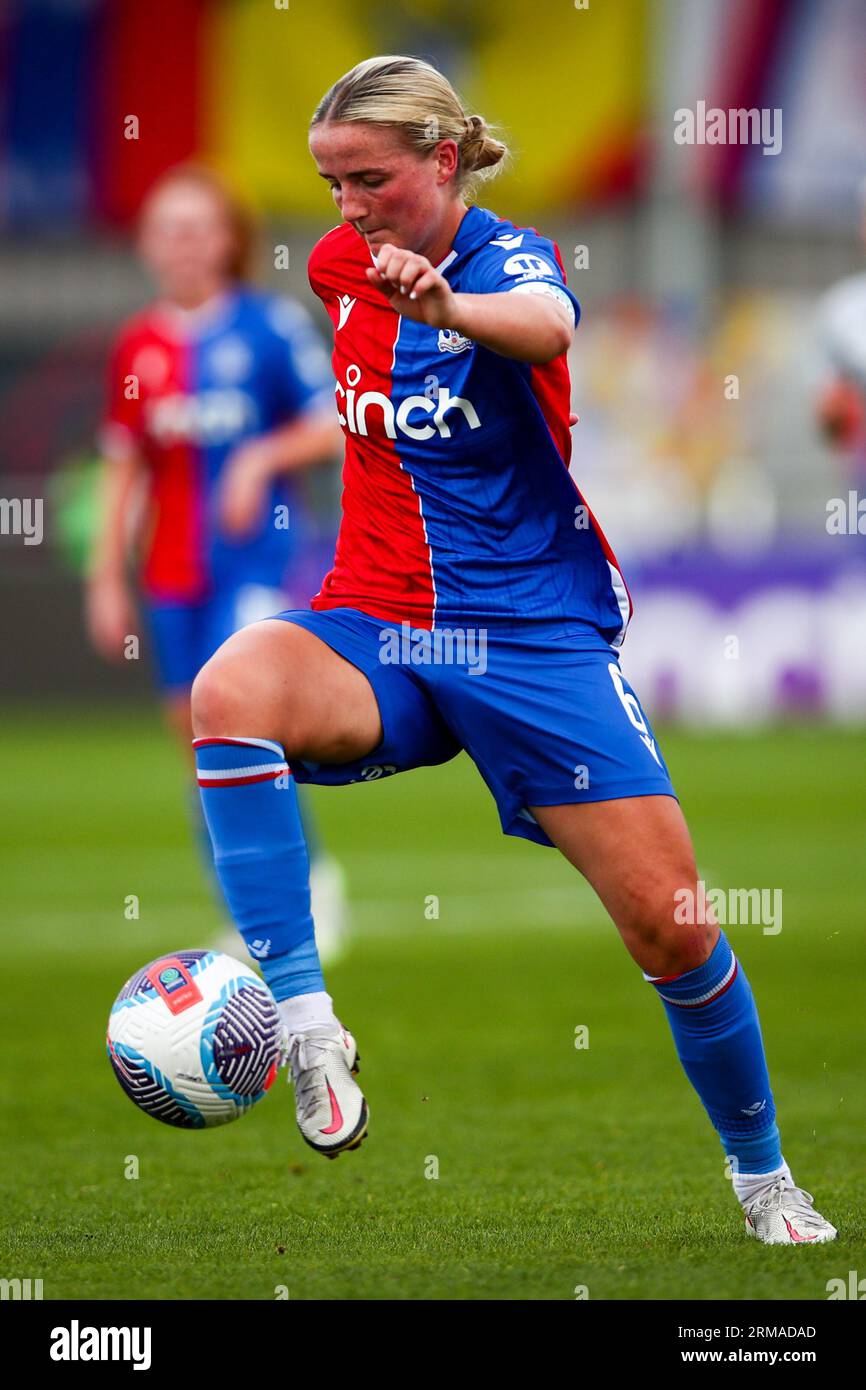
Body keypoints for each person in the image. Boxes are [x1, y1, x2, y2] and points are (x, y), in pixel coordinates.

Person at [190, 56, 836, 1243]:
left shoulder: (507, 260)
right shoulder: (338, 269)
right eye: (329, 182)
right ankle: (303, 1022)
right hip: (377, 622)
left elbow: (543, 328)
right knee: (226, 688)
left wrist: (443, 309)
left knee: (674, 924)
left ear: (441, 161)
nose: (345, 209)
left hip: (529, 636)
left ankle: (762, 1179)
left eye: (368, 179)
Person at [86, 164, 348, 960]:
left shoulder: (268, 328)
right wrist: (105, 579)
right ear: (145, 244)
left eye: (199, 228)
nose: (184, 246)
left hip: (258, 563)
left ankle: (308, 895)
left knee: (240, 722)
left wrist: (258, 457)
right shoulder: (140, 346)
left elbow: (336, 420)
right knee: (197, 744)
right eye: (168, 229)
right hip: (172, 576)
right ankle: (251, 903)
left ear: (230, 240)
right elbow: (124, 468)